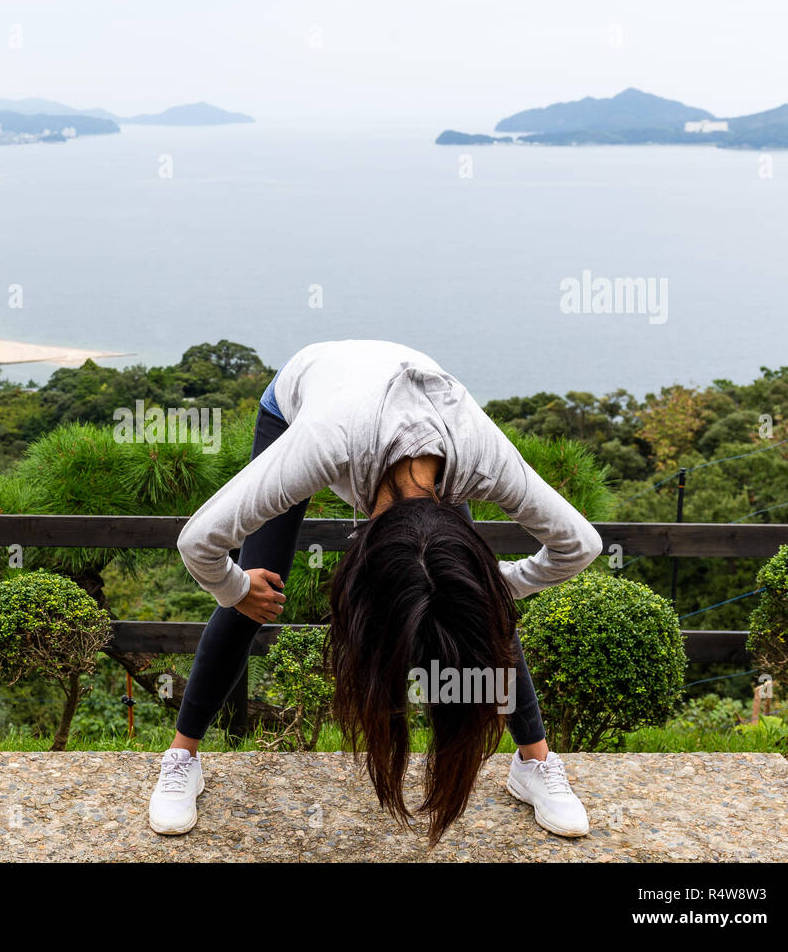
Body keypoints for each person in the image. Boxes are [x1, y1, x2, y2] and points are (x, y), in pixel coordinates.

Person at [149, 339, 603, 843]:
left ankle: (534, 763)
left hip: (428, 420)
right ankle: (182, 757)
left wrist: (495, 587)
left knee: (474, 607)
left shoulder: (481, 456)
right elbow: (198, 541)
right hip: (311, 393)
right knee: (260, 585)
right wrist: (235, 588)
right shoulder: (322, 444)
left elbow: (580, 544)